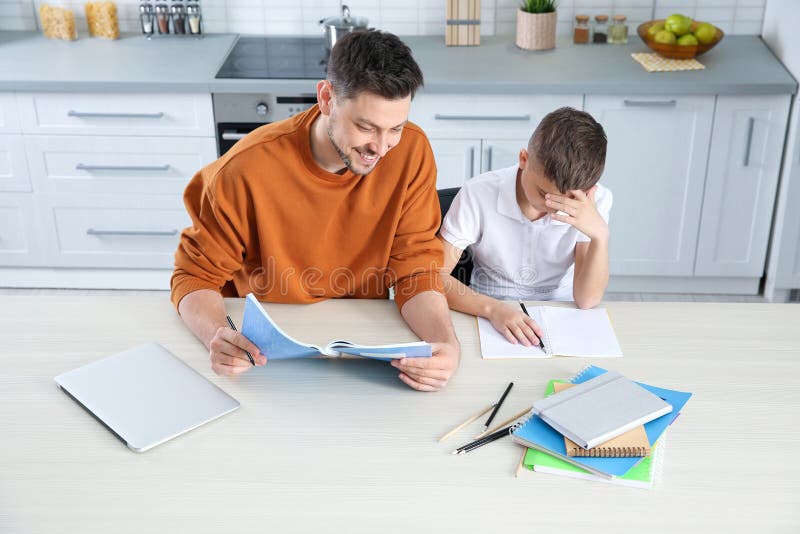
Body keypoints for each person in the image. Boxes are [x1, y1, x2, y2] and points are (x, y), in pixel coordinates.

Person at [170, 30, 459, 391]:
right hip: (260, 356)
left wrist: (445, 344)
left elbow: (416, 269)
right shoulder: (245, 169)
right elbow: (194, 277)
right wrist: (218, 335)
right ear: (326, 98)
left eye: (395, 128)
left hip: (359, 345)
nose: (382, 148)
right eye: (365, 127)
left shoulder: (411, 152)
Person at [439, 107, 611, 347]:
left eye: (568, 200)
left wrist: (600, 235)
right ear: (523, 159)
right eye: (544, 194)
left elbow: (587, 300)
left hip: (559, 311)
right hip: (489, 308)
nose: (553, 208)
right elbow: (433, 275)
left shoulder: (596, 201)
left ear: (589, 191)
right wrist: (493, 309)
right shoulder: (478, 193)